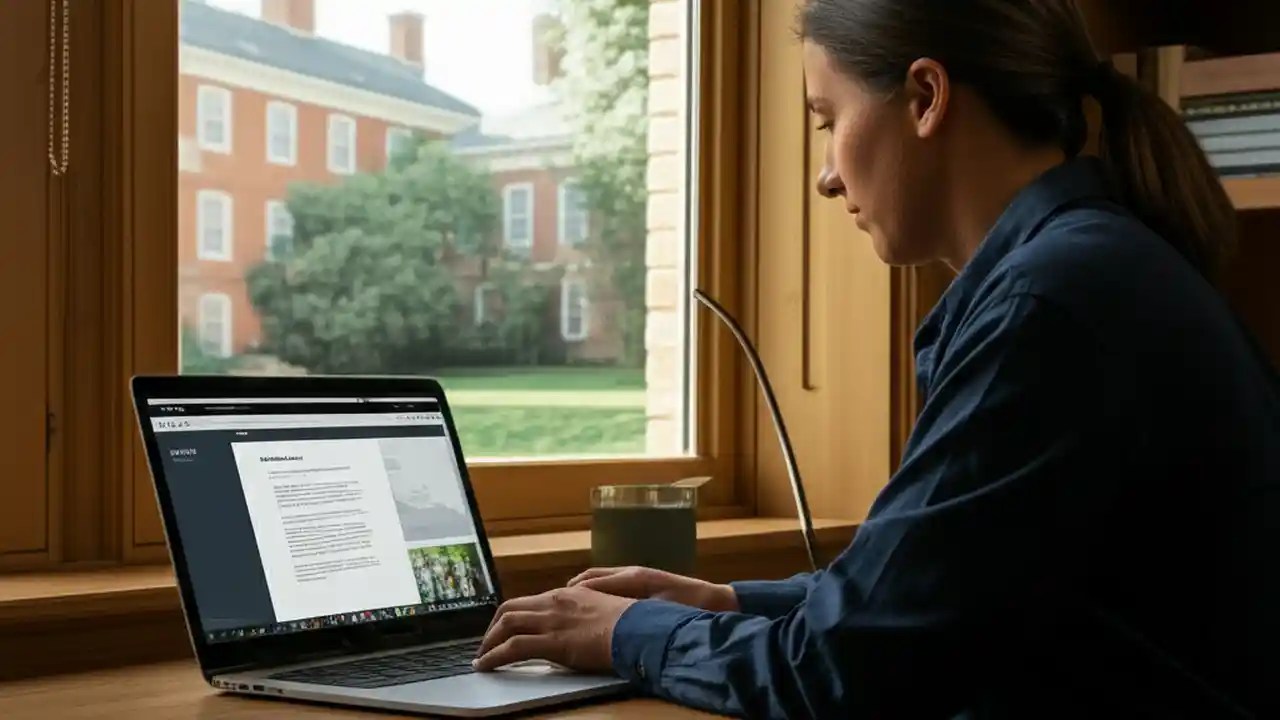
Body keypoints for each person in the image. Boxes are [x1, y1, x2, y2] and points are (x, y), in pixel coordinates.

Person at [473, 0, 1279, 716]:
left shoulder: (1049, 306)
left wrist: (632, 634)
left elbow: (843, 673)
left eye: (827, 118)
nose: (825, 174)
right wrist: (726, 597)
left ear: (925, 98)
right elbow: (928, 595)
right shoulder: (1086, 269)